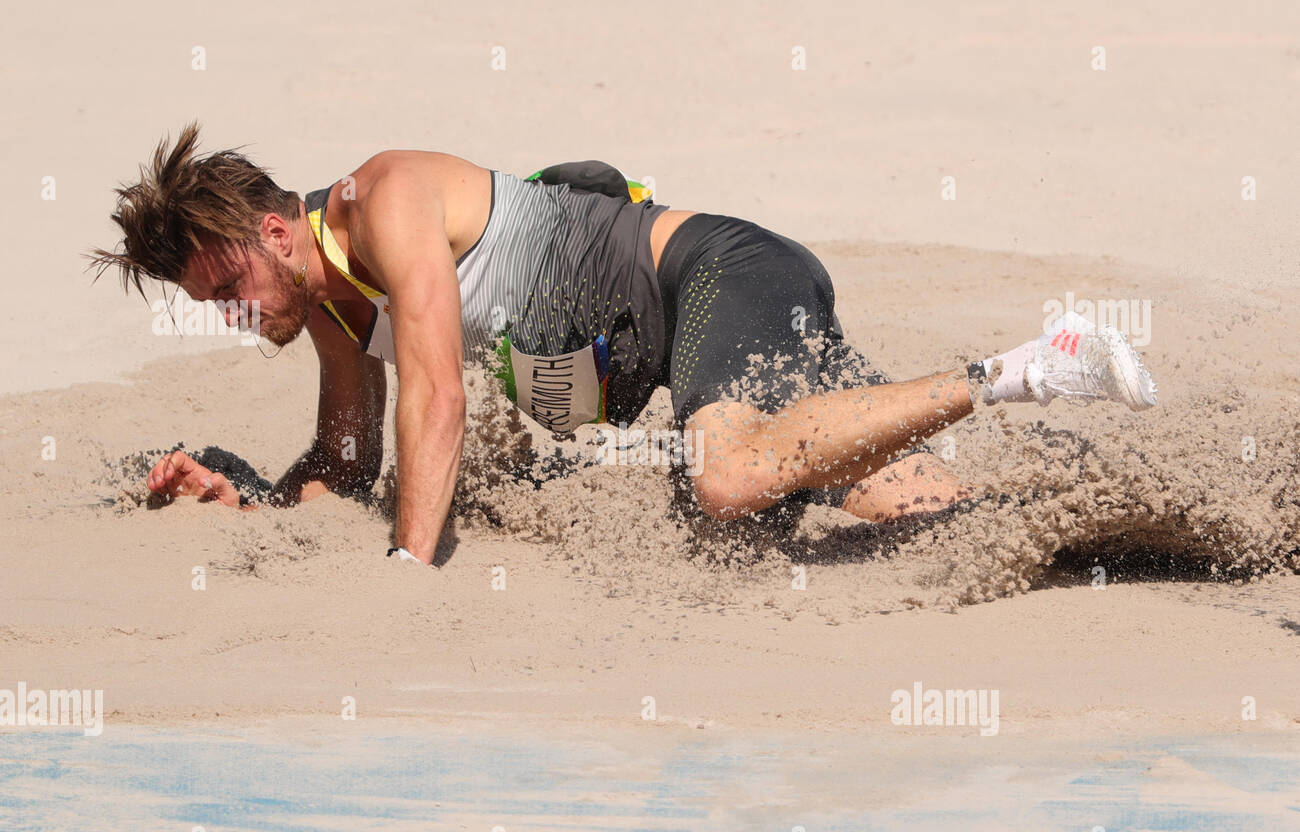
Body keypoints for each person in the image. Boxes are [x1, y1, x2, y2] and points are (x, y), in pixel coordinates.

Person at [89, 123, 1156, 563]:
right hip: (700, 337)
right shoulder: (323, 304)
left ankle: (1030, 362)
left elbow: (436, 399)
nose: (228, 312)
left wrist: (409, 573)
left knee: (729, 481)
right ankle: (1145, 509)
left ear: (275, 232)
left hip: (718, 272)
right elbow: (346, 463)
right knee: (930, 516)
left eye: (227, 285)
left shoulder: (384, 197)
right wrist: (242, 502)